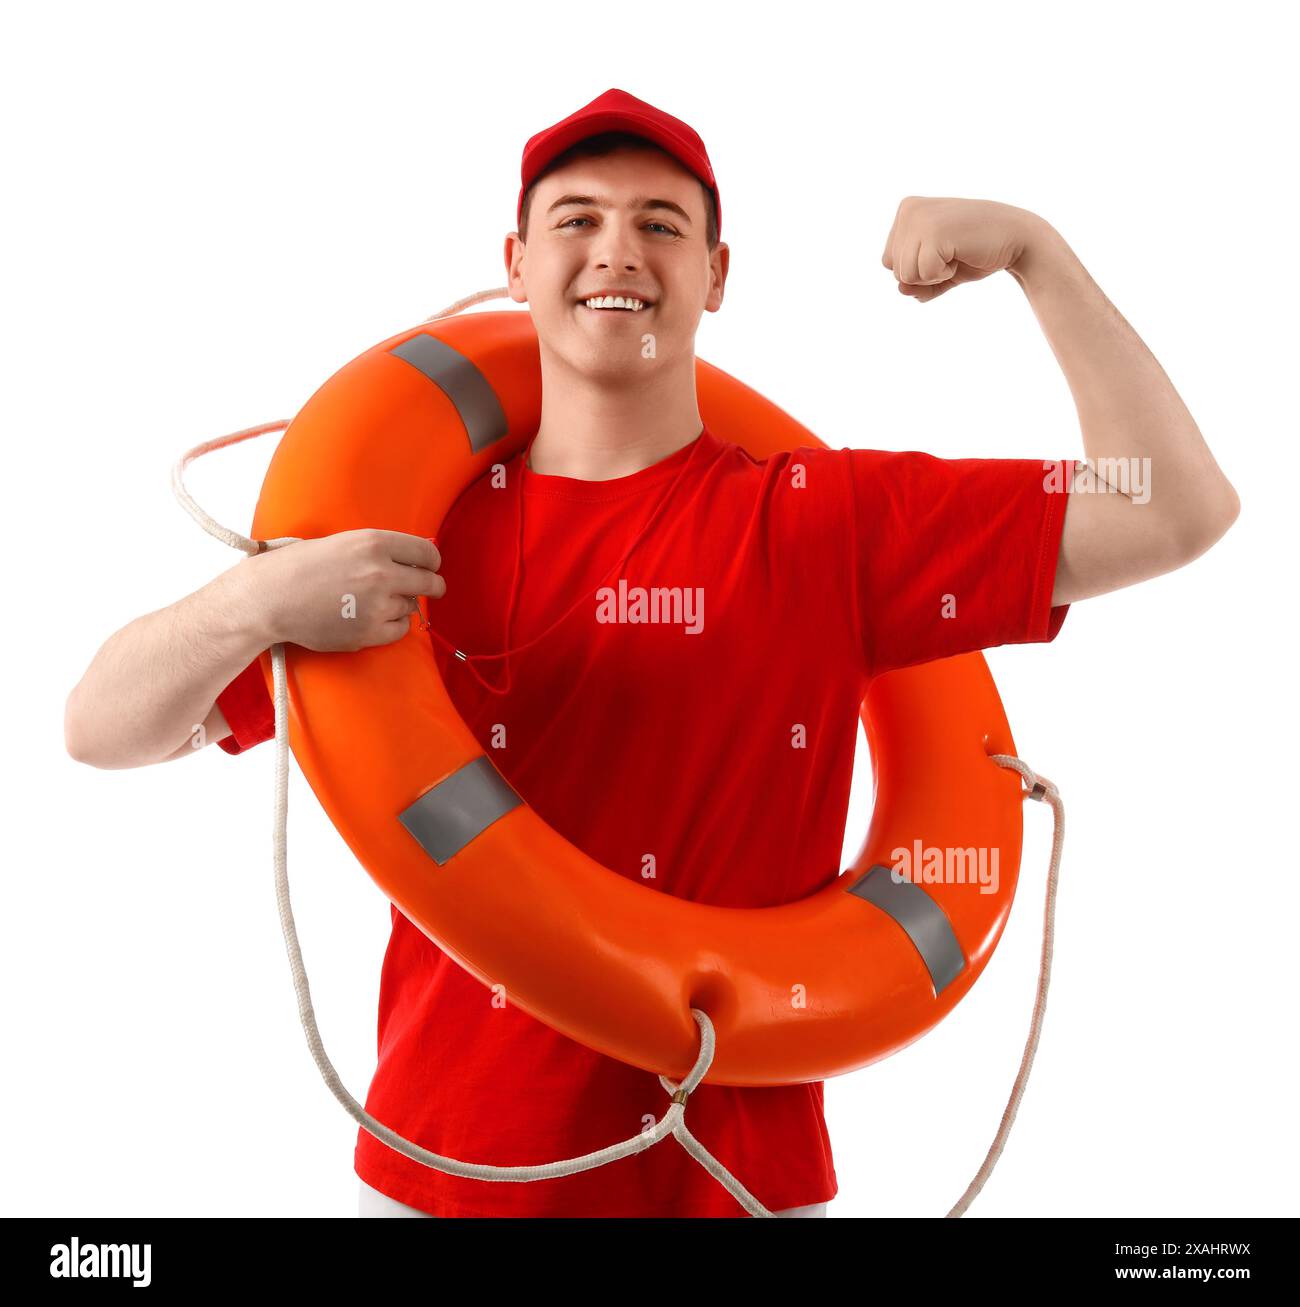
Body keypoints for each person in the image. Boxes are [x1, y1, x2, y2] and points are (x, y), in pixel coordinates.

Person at [64, 88, 1240, 1218]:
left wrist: (1039, 253)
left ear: (716, 276)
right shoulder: (410, 543)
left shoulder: (825, 520)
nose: (616, 251)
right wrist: (254, 600)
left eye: (661, 225)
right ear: (514, 263)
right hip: (442, 1174)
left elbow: (1172, 509)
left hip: (732, 1188)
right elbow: (100, 728)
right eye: (575, 220)